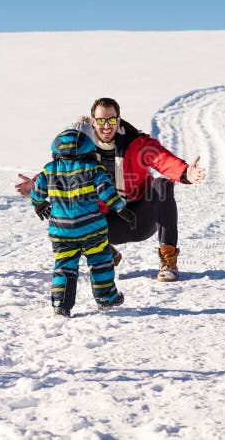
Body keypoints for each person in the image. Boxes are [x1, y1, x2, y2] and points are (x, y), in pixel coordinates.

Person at [17, 98, 206, 282]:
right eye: (101, 120)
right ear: (93, 122)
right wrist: (35, 187)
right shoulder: (80, 148)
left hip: (140, 219)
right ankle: (105, 253)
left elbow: (162, 159)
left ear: (119, 119)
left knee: (161, 185)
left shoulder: (137, 143)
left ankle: (168, 260)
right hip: (104, 225)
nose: (106, 125)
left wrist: (185, 172)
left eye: (111, 120)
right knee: (66, 213)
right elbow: (60, 170)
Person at [30, 126, 136, 317]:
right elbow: (107, 192)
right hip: (91, 229)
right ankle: (106, 297)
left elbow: (37, 192)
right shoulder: (93, 169)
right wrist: (123, 211)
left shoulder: (49, 170)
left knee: (64, 264)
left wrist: (39, 204)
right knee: (100, 260)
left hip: (61, 232)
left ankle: (60, 305)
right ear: (89, 151)